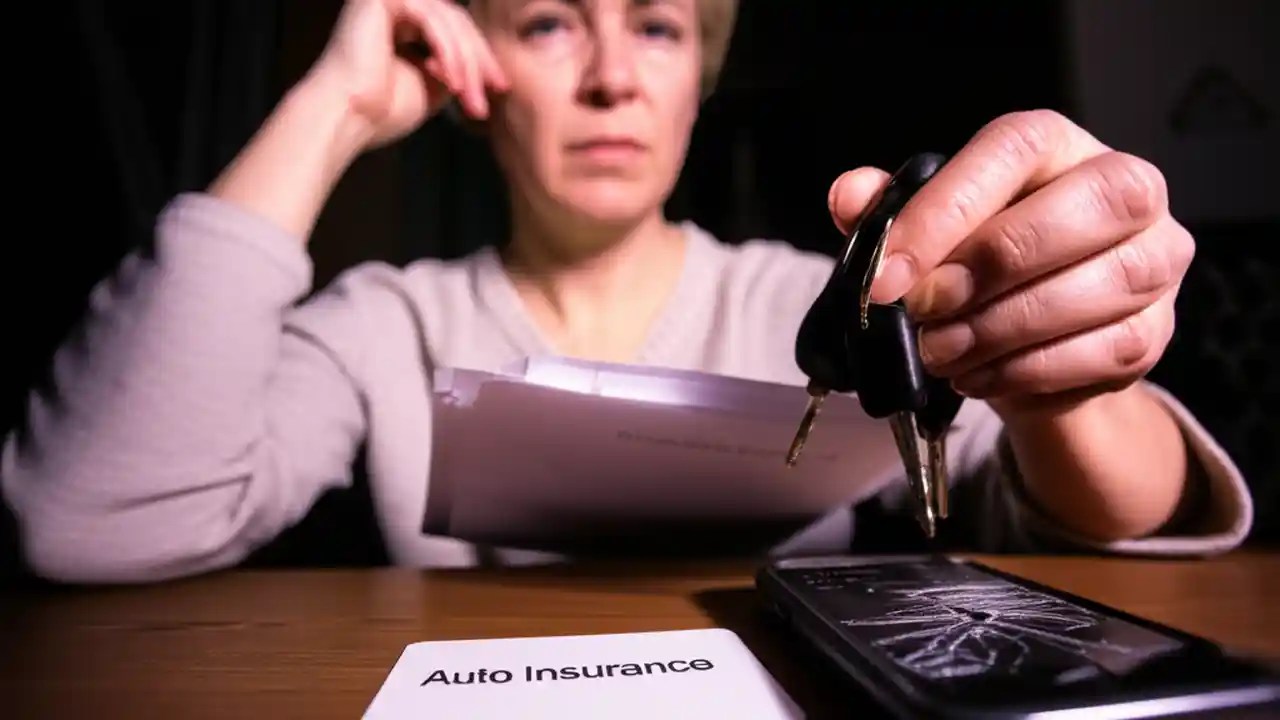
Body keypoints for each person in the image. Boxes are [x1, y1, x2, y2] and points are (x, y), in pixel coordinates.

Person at [1, 0, 1253, 583]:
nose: (609, 76)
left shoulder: (812, 304)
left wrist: (1065, 377)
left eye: (654, 27)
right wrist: (327, 111)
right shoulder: (383, 323)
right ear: (475, 70)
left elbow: (1120, 530)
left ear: (694, 78)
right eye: (548, 24)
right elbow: (89, 518)